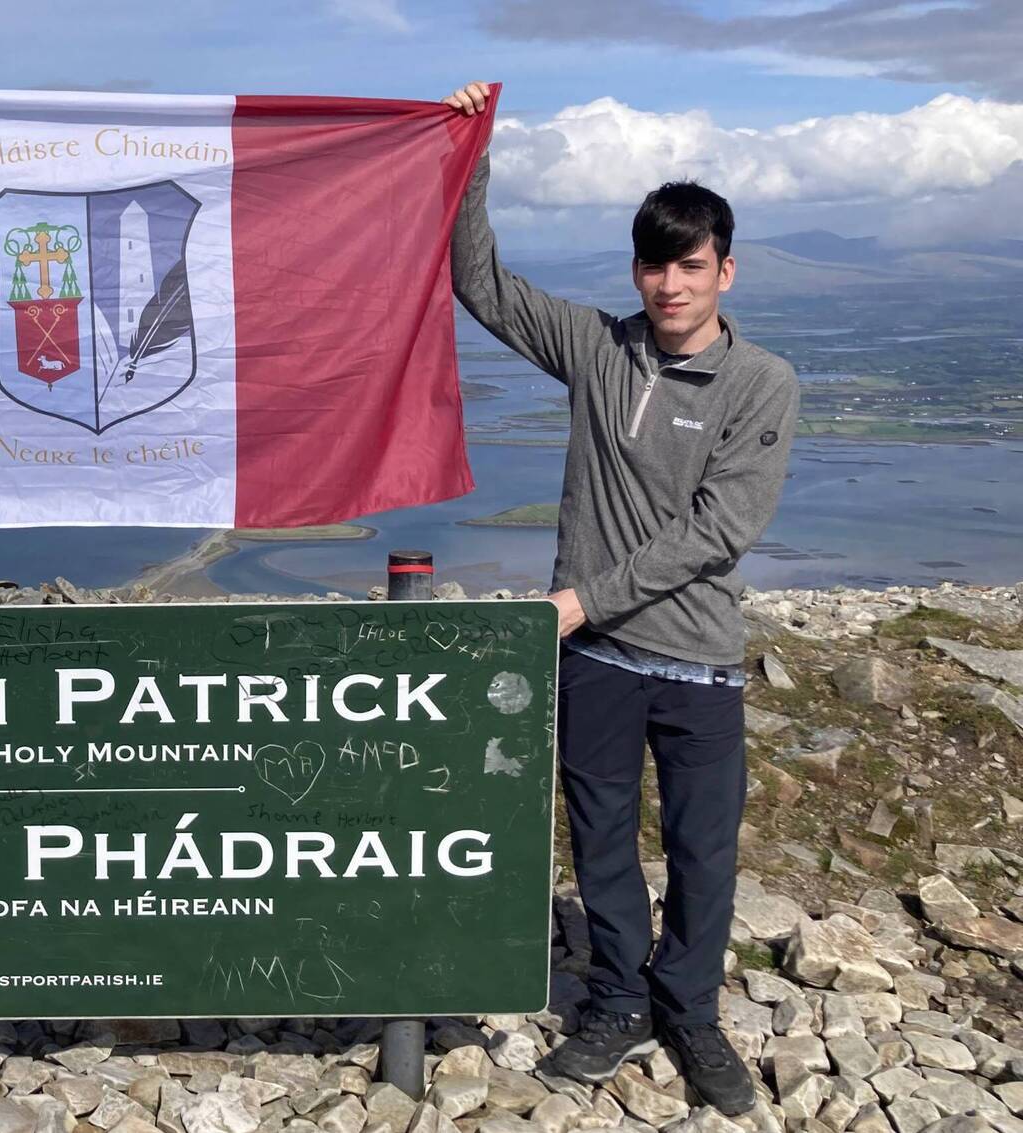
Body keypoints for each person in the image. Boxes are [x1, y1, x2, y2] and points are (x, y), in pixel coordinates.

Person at [443, 81, 797, 1116]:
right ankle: (615, 1001)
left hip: (694, 661)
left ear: (723, 270)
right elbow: (480, 283)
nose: (669, 283)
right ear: (635, 269)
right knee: (600, 845)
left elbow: (718, 530)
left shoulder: (760, 383)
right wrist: (471, 151)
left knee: (701, 853)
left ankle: (690, 1012)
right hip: (597, 658)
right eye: (653, 264)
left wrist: (583, 599)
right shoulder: (599, 350)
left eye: (689, 264)